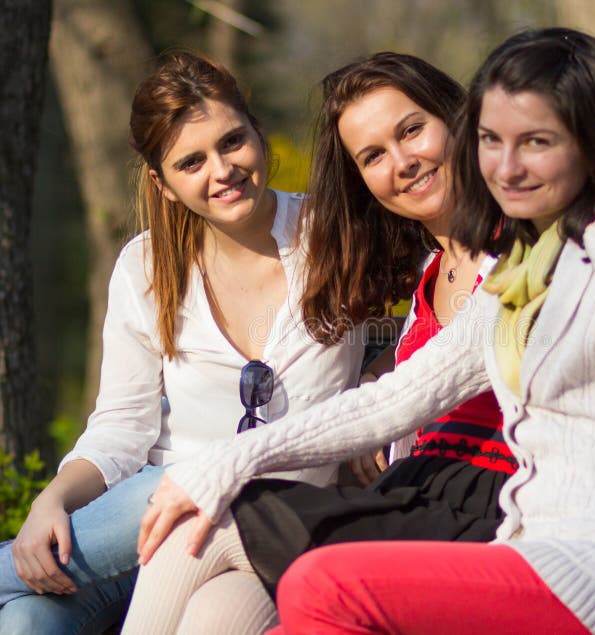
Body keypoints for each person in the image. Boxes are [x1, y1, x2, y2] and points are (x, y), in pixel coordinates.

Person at [124, 35, 595, 635]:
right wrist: (225, 462)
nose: (507, 167)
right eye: (494, 142)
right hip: (525, 541)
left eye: (535, 142)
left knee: (293, 571)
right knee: (228, 598)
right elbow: (399, 396)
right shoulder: (525, 273)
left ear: (589, 136)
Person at [0, 51, 367, 635]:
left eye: (232, 141)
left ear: (258, 134)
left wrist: (375, 373)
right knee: (25, 620)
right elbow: (122, 426)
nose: (222, 170)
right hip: (147, 519)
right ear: (162, 184)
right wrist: (54, 498)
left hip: (269, 523)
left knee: (184, 496)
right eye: (191, 162)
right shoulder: (145, 266)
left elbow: (428, 315)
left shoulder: (337, 238)